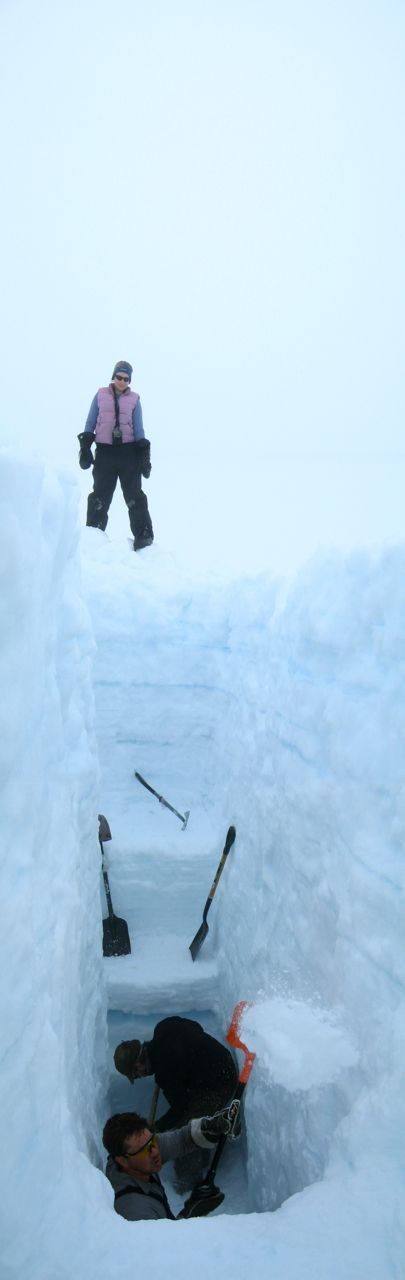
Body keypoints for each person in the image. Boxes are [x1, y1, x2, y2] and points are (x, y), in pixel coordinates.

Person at [102, 1107, 235, 1220]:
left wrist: (210, 1127)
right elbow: (165, 1247)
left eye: (153, 1140)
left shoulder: (137, 1157)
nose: (154, 1151)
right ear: (122, 1161)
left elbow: (182, 1140)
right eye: (144, 1151)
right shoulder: (135, 1210)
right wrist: (191, 1213)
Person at [78, 360, 154, 551]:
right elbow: (90, 422)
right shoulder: (100, 395)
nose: (122, 381)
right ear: (114, 376)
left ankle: (143, 537)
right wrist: (85, 447)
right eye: (119, 377)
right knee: (100, 497)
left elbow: (139, 429)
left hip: (129, 455)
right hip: (105, 454)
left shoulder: (135, 400)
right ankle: (93, 538)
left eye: (126, 379)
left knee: (134, 496)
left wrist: (144, 456)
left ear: (130, 381)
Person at [114, 1016, 238, 1131]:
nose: (141, 1077)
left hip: (223, 1084)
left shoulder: (164, 1072)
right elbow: (197, 1026)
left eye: (136, 1076)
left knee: (187, 1131)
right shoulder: (164, 1026)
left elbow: (180, 1109)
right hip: (224, 1058)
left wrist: (155, 1128)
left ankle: (218, 1130)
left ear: (138, 1065)